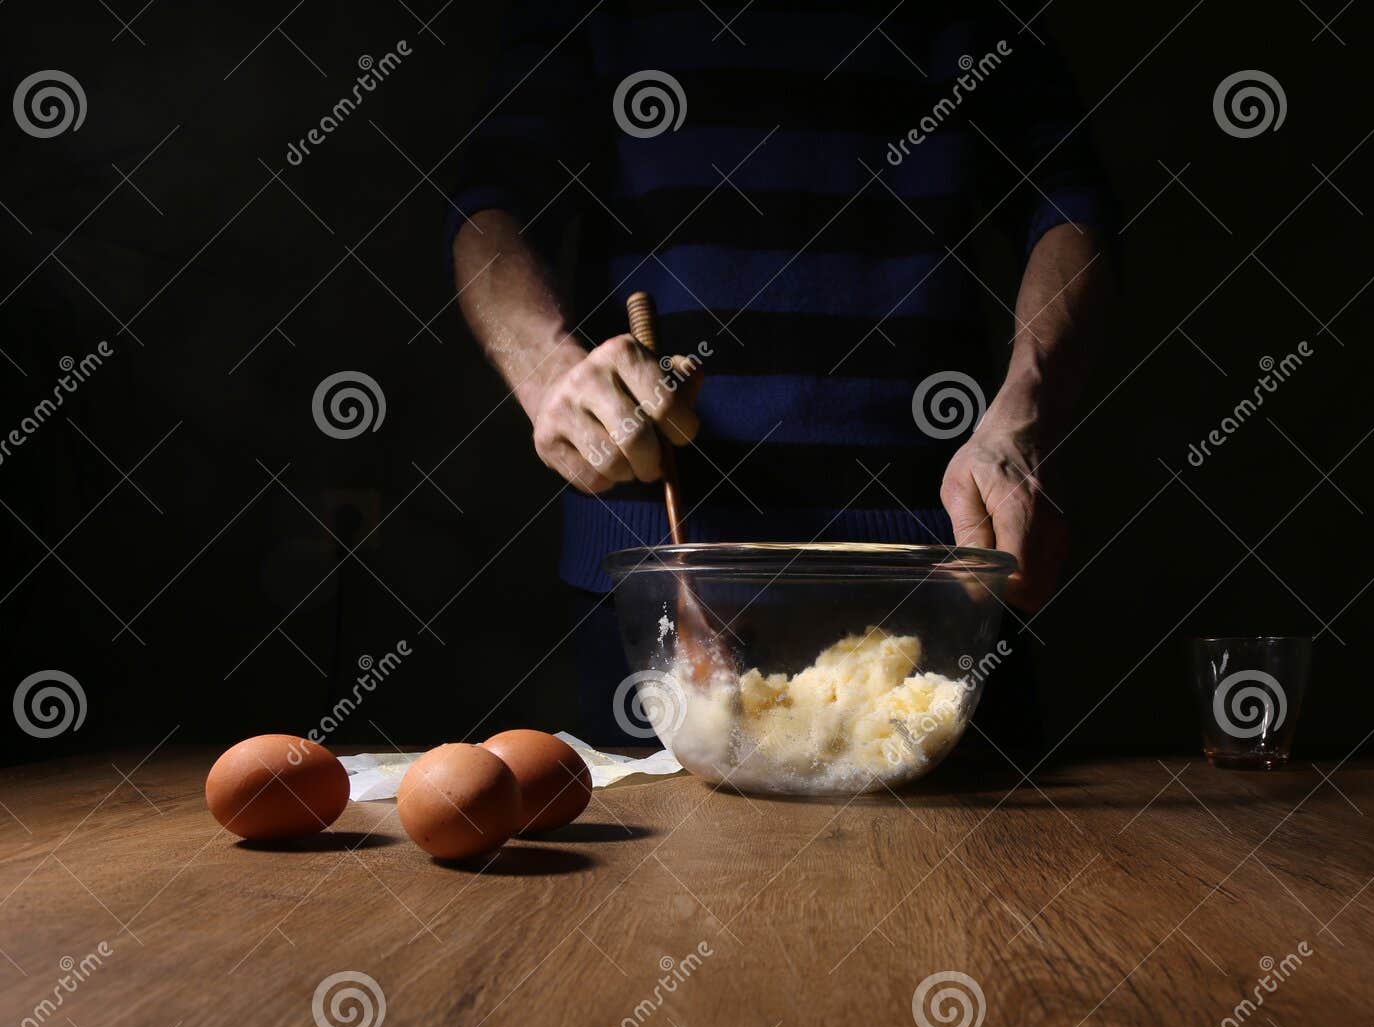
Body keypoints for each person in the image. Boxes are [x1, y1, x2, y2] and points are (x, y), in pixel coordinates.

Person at [451, 2, 1108, 746]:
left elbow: (1069, 204)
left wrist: (1027, 410)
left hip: (941, 563)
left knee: (973, 860)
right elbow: (490, 200)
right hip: (661, 568)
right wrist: (547, 371)